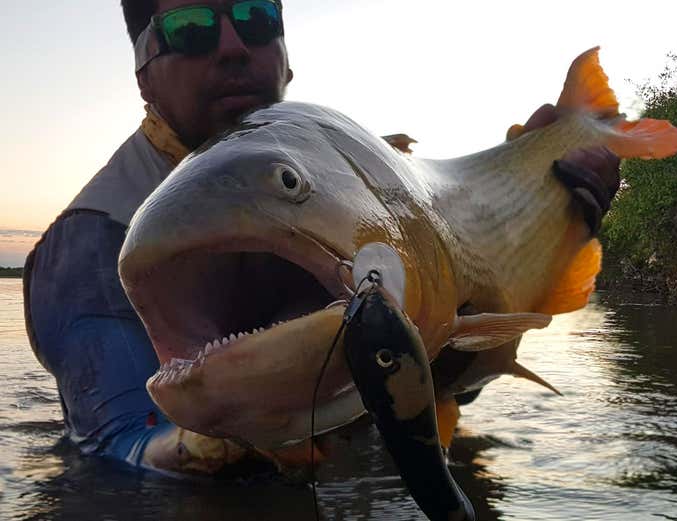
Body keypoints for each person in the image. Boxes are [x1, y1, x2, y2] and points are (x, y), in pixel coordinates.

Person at [23, 0, 619, 476]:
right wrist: (210, 447)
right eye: (193, 27)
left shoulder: (350, 170)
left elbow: (456, 367)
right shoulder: (87, 246)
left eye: (258, 18)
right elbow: (120, 447)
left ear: (285, 56)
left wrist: (564, 218)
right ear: (143, 70)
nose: (233, 45)